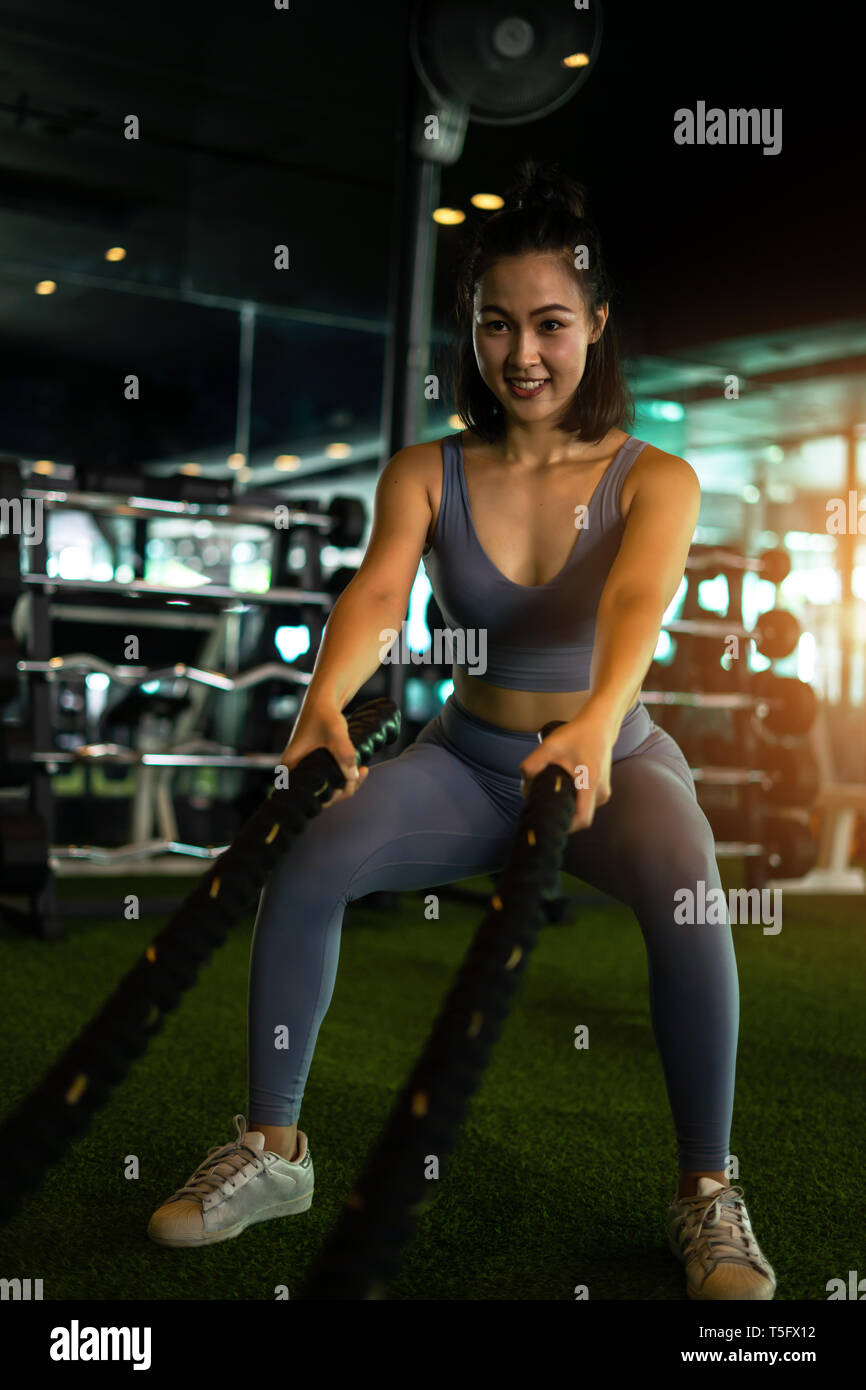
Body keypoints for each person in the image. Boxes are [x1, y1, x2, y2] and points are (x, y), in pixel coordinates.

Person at [147, 158, 776, 1301]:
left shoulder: (658, 479)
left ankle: (704, 1194)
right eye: (496, 326)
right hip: (469, 765)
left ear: (594, 323)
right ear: (471, 332)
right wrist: (322, 702)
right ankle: (274, 1149)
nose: (521, 355)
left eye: (547, 324)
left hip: (610, 761)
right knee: (316, 856)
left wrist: (591, 722)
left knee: (690, 881)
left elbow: (635, 603)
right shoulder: (426, 471)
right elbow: (381, 595)